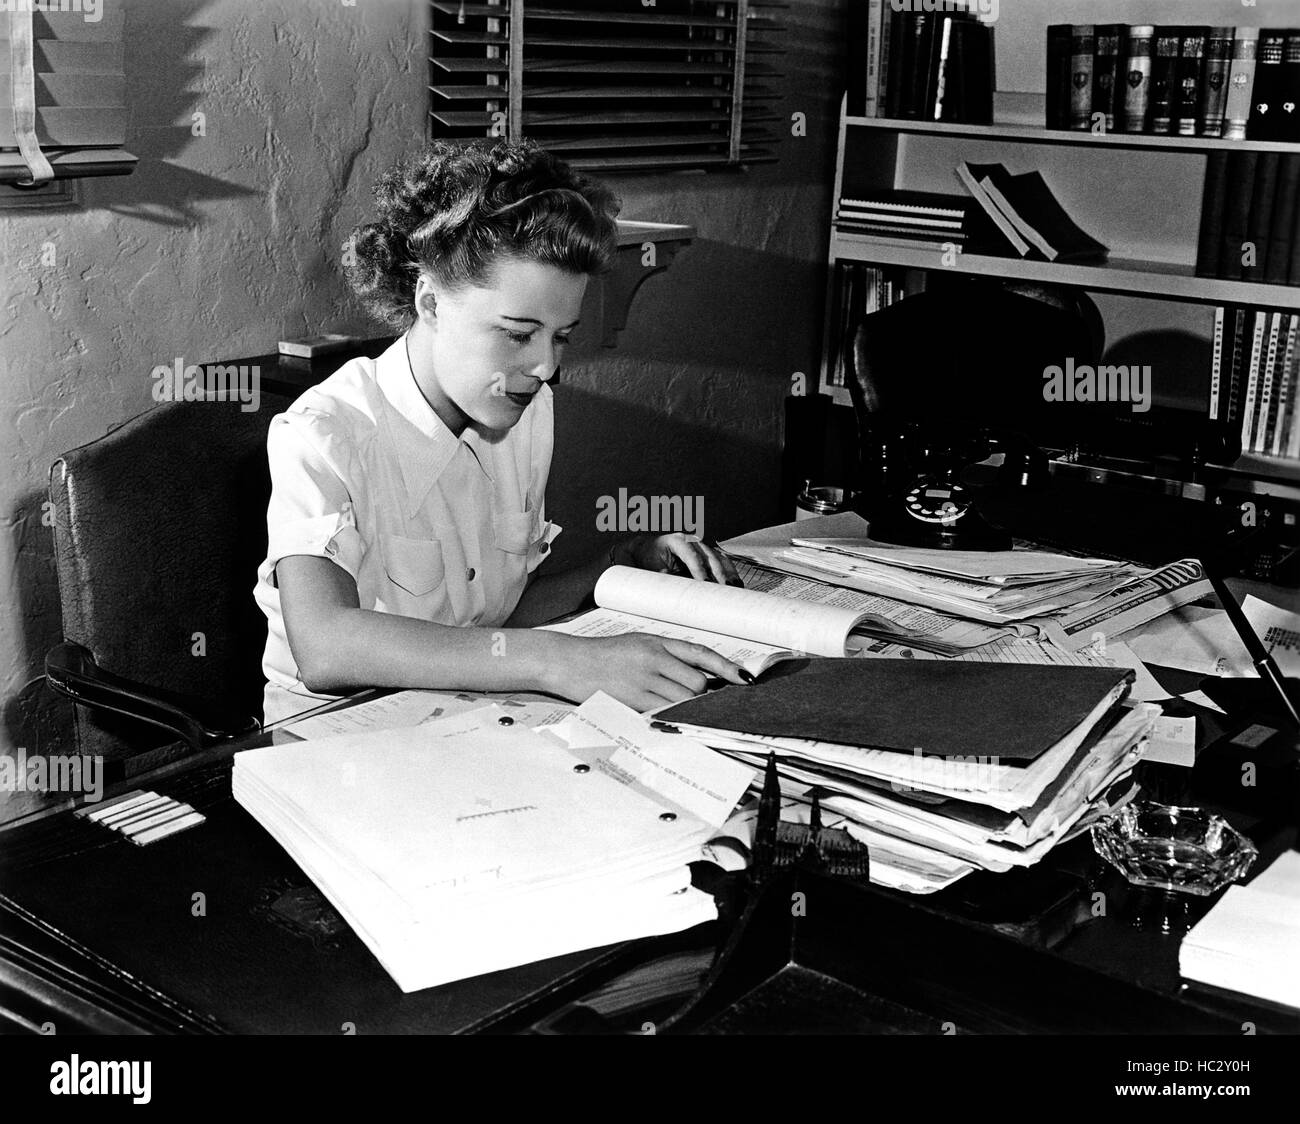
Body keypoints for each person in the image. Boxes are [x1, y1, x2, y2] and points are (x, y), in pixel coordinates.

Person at [254, 140, 750, 724]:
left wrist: (618, 564)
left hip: (471, 721)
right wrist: (558, 661)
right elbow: (326, 646)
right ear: (431, 303)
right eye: (518, 334)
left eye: (560, 336)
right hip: (332, 743)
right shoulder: (323, 433)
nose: (544, 368)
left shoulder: (526, 413)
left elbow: (494, 625)